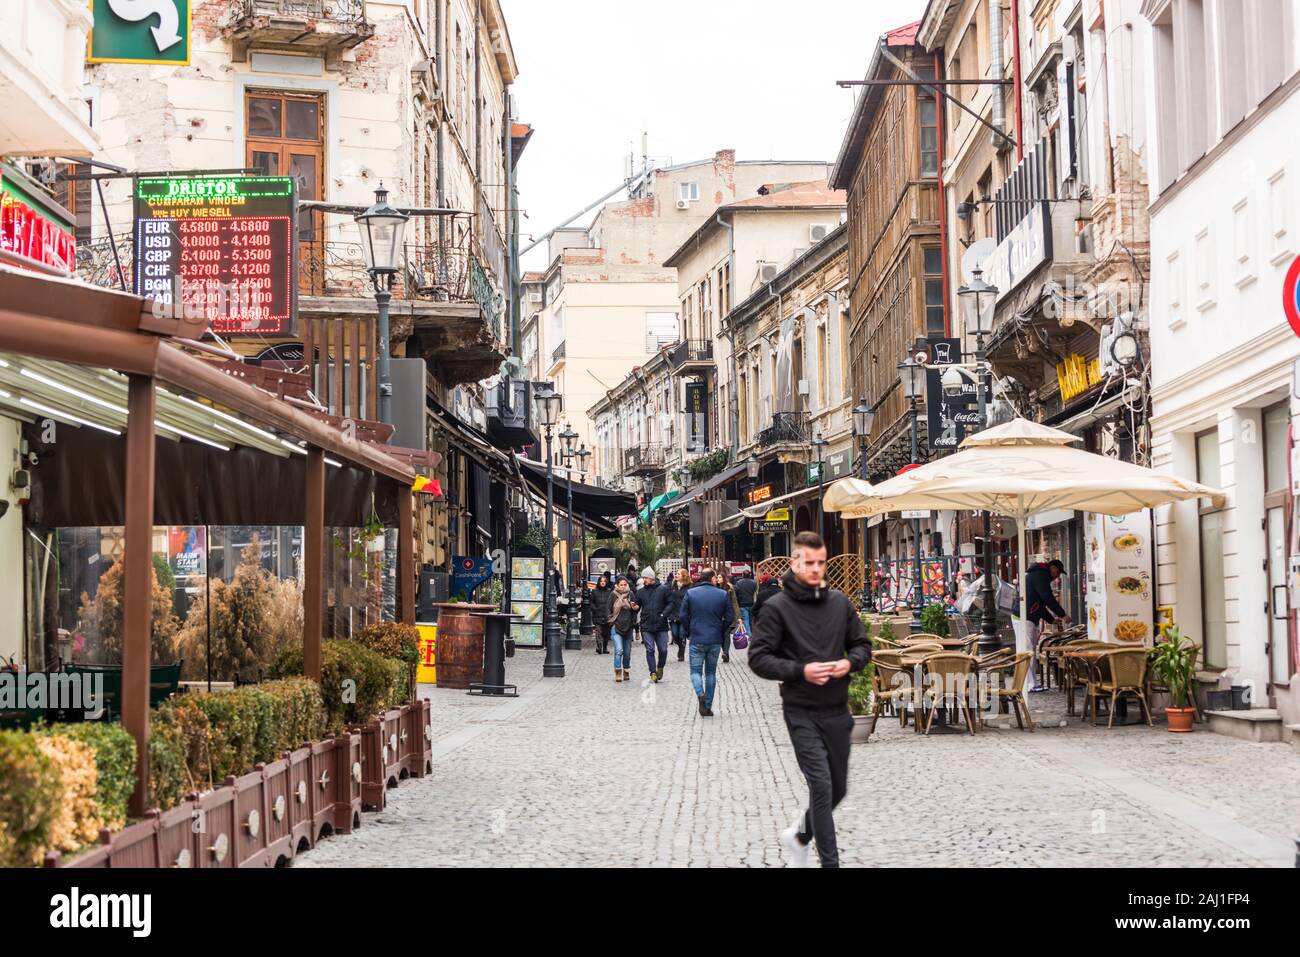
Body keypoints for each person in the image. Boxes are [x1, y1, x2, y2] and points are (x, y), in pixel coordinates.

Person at [748, 532, 871, 869]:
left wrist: (850, 662)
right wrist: (801, 671)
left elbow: (862, 645)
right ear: (794, 563)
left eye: (821, 563)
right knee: (821, 785)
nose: (816, 569)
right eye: (809, 563)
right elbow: (758, 658)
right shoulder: (776, 608)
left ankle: (800, 836)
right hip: (801, 710)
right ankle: (830, 863)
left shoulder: (839, 603)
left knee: (839, 790)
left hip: (837, 710)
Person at [678, 568, 733, 717]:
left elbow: (683, 615)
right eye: (715, 577)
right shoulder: (722, 594)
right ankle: (707, 706)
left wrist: (689, 631)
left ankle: (700, 694)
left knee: (695, 671)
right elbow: (729, 617)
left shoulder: (691, 593)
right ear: (712, 578)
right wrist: (721, 630)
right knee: (710, 673)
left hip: (697, 638)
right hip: (714, 639)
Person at [1021, 558, 1068, 692]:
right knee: (1028, 651)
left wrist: (1051, 619)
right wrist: (1062, 614)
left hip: (1027, 617)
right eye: (1057, 573)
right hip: (1025, 617)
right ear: (1052, 568)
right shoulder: (1041, 576)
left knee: (1027, 650)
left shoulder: (1039, 574)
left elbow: (1040, 603)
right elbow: (1047, 598)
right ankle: (1031, 685)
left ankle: (1029, 683)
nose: (1057, 576)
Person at [635, 566, 672, 682]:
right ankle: (653, 672)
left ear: (651, 578)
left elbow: (671, 603)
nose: (643, 580)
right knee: (650, 649)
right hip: (646, 625)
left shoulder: (664, 589)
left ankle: (660, 666)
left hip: (661, 625)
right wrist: (634, 607)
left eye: (645, 577)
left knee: (663, 650)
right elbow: (637, 606)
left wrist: (663, 614)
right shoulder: (640, 592)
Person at [608, 576, 639, 682]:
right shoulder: (613, 595)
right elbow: (608, 609)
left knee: (627, 652)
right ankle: (618, 671)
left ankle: (626, 670)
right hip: (616, 626)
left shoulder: (631, 594)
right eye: (621, 584)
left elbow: (635, 609)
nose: (623, 586)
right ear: (617, 585)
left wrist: (634, 609)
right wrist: (610, 621)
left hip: (628, 627)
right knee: (619, 650)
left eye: (625, 584)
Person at [666, 568, 691, 661]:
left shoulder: (689, 587)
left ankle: (681, 651)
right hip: (673, 614)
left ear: (684, 576)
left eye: (679, 574)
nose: (676, 575)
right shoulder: (672, 586)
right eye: (676, 574)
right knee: (675, 634)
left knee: (681, 634)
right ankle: (680, 646)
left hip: (684, 614)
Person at [718, 576, 742, 663]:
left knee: (726, 634)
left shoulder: (730, 588)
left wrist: (739, 616)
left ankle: (725, 652)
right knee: (720, 635)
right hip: (718, 615)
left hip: (729, 614)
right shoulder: (714, 588)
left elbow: (734, 602)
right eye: (717, 577)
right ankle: (725, 653)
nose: (718, 578)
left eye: (720, 577)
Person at [590, 574, 614, 655]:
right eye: (601, 581)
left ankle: (605, 647)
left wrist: (611, 611)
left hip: (607, 615)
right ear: (599, 582)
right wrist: (595, 608)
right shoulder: (594, 591)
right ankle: (599, 647)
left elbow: (612, 602)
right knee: (598, 631)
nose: (603, 583)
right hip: (597, 614)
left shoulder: (609, 591)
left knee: (606, 633)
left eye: (604, 581)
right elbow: (591, 602)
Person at [733, 569, 757, 637]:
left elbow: (736, 593)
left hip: (742, 604)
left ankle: (749, 635)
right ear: (749, 575)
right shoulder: (754, 582)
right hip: (751, 603)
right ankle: (753, 633)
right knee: (751, 620)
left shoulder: (738, 583)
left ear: (742, 575)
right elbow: (755, 593)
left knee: (746, 619)